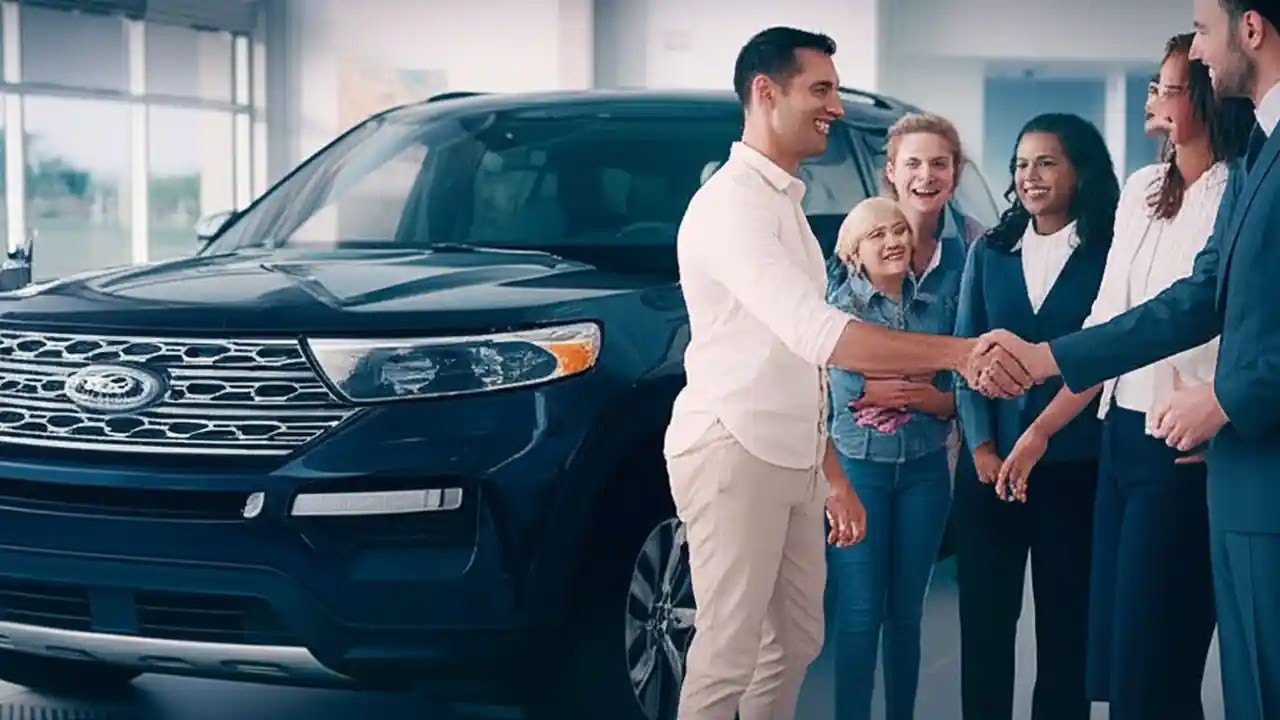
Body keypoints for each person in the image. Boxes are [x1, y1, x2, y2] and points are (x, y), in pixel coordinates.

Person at [664, 26, 1031, 720]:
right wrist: (959, 353)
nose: (834, 106)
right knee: (728, 651)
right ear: (766, 94)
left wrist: (829, 475)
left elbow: (802, 361)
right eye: (821, 89)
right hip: (732, 450)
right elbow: (820, 334)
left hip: (793, 452)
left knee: (797, 640)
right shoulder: (731, 208)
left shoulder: (785, 204)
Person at [977, 2, 1280, 717]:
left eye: (1203, 32)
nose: (1199, 53)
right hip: (1154, 438)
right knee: (1140, 672)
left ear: (1253, 28)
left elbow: (1209, 311)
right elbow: (1182, 302)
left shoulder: (1243, 166)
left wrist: (1225, 400)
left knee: (1176, 671)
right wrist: (1049, 364)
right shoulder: (1248, 163)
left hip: (1209, 445)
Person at [952, 112, 1119, 720]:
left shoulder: (1109, 254)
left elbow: (1107, 356)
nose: (1031, 176)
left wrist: (1039, 437)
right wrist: (980, 448)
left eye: (1047, 162)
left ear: (1081, 172)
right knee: (986, 629)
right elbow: (964, 355)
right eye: (1022, 164)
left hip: (1074, 467)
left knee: (1065, 629)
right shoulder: (989, 253)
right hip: (989, 469)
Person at [824, 197, 958, 720]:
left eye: (899, 229)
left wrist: (930, 394)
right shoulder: (836, 315)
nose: (893, 241)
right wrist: (921, 380)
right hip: (858, 474)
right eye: (877, 234)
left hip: (926, 472)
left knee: (907, 614)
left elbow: (954, 392)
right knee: (858, 614)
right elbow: (848, 393)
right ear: (854, 253)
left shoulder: (937, 310)